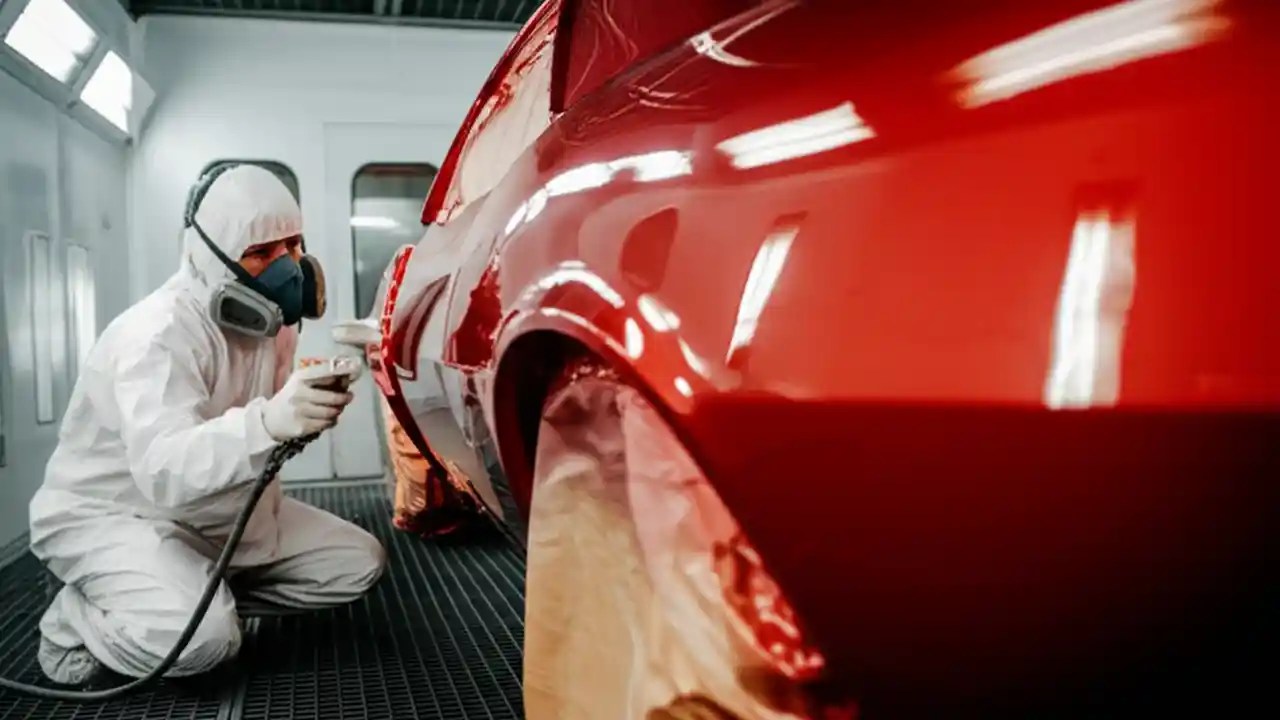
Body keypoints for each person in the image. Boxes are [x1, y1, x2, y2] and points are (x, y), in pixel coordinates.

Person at [27, 163, 387, 686]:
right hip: (119, 516)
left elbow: (261, 433)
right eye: (261, 253)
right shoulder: (157, 334)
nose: (286, 267)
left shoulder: (272, 323)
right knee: (204, 642)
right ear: (212, 258)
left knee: (357, 563)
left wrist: (311, 404)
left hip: (219, 512)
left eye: (291, 245)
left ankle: (189, 595)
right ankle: (76, 616)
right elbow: (164, 471)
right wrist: (270, 421)